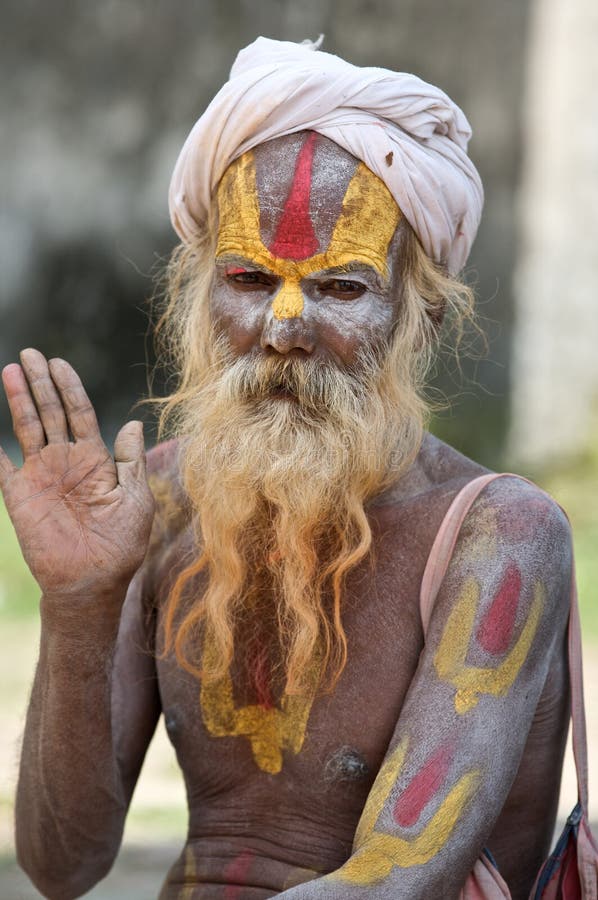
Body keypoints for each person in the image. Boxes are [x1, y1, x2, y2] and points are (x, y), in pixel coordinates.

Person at [1, 37, 575, 900]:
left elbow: (393, 881)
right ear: (198, 296)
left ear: (420, 318)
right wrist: (78, 606)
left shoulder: (502, 538)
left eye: (342, 289)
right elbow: (60, 864)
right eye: (246, 278)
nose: (283, 328)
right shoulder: (157, 501)